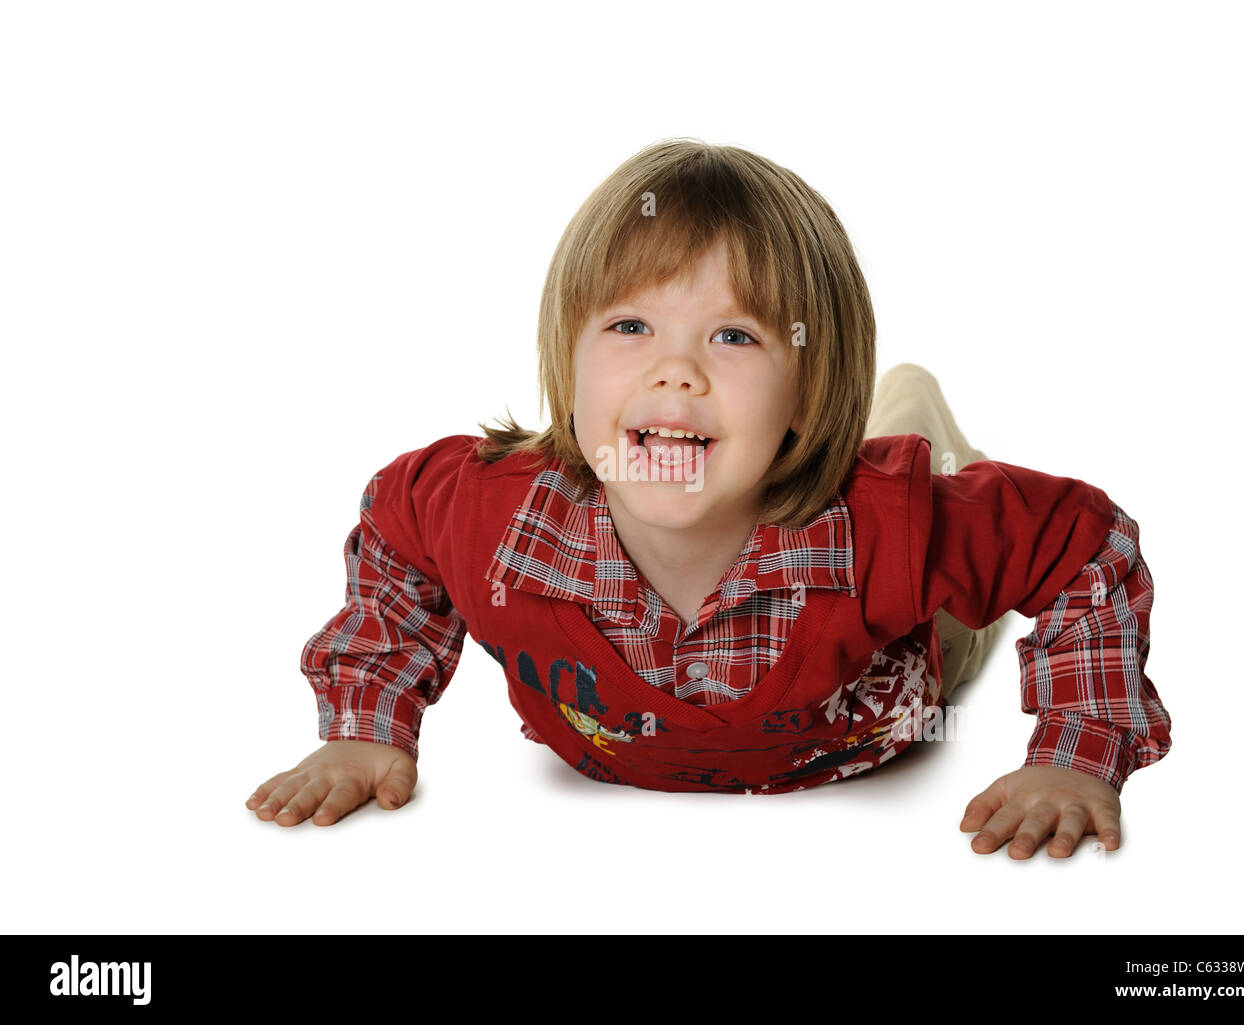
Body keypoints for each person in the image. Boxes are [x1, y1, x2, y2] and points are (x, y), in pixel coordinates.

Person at [246, 139, 1171, 859]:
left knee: (930, 530)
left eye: (734, 334)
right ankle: (895, 398)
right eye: (630, 325)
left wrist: (1071, 751)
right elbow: (397, 534)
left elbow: (1083, 549)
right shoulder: (489, 513)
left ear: (810, 391)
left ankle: (907, 409)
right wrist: (365, 728)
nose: (675, 370)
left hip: (894, 678)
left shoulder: (896, 531)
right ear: (567, 364)